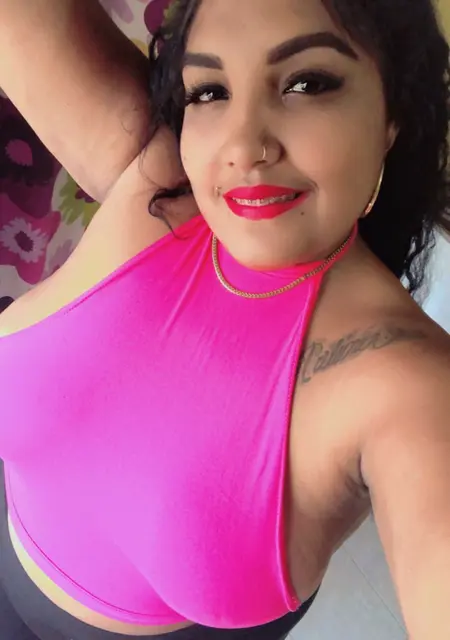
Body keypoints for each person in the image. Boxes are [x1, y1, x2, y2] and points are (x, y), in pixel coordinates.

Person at [0, 0, 449, 638]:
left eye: (306, 83)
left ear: (391, 116)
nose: (243, 146)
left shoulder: (404, 382)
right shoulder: (160, 183)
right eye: (209, 91)